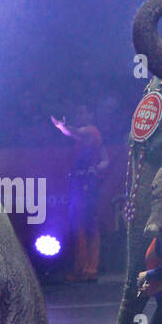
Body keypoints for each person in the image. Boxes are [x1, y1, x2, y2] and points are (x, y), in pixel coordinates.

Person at [51, 105, 109, 282]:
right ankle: (85, 268)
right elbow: (105, 159)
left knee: (84, 226)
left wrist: (62, 127)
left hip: (85, 186)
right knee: (82, 226)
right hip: (82, 183)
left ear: (91, 114)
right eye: (78, 112)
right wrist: (97, 169)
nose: (79, 115)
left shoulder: (90, 131)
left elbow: (74, 132)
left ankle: (87, 269)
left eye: (83, 112)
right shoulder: (90, 137)